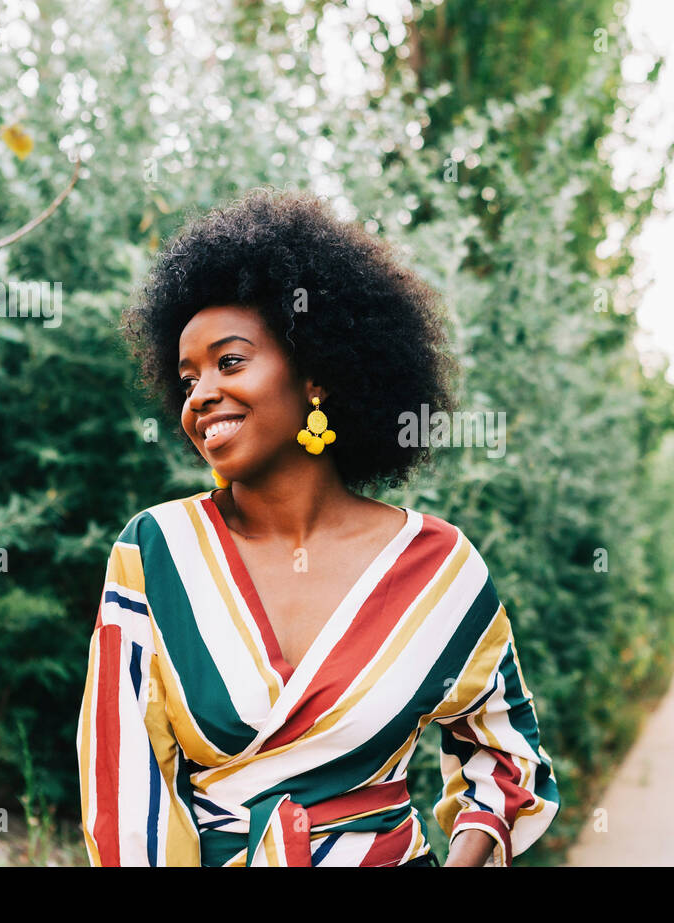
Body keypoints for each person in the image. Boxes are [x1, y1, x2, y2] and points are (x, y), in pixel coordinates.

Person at [75, 187, 560, 867]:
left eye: (230, 361)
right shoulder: (157, 553)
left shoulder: (438, 567)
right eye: (186, 379)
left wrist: (468, 856)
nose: (201, 394)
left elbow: (506, 756)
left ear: (316, 378)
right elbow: (126, 794)